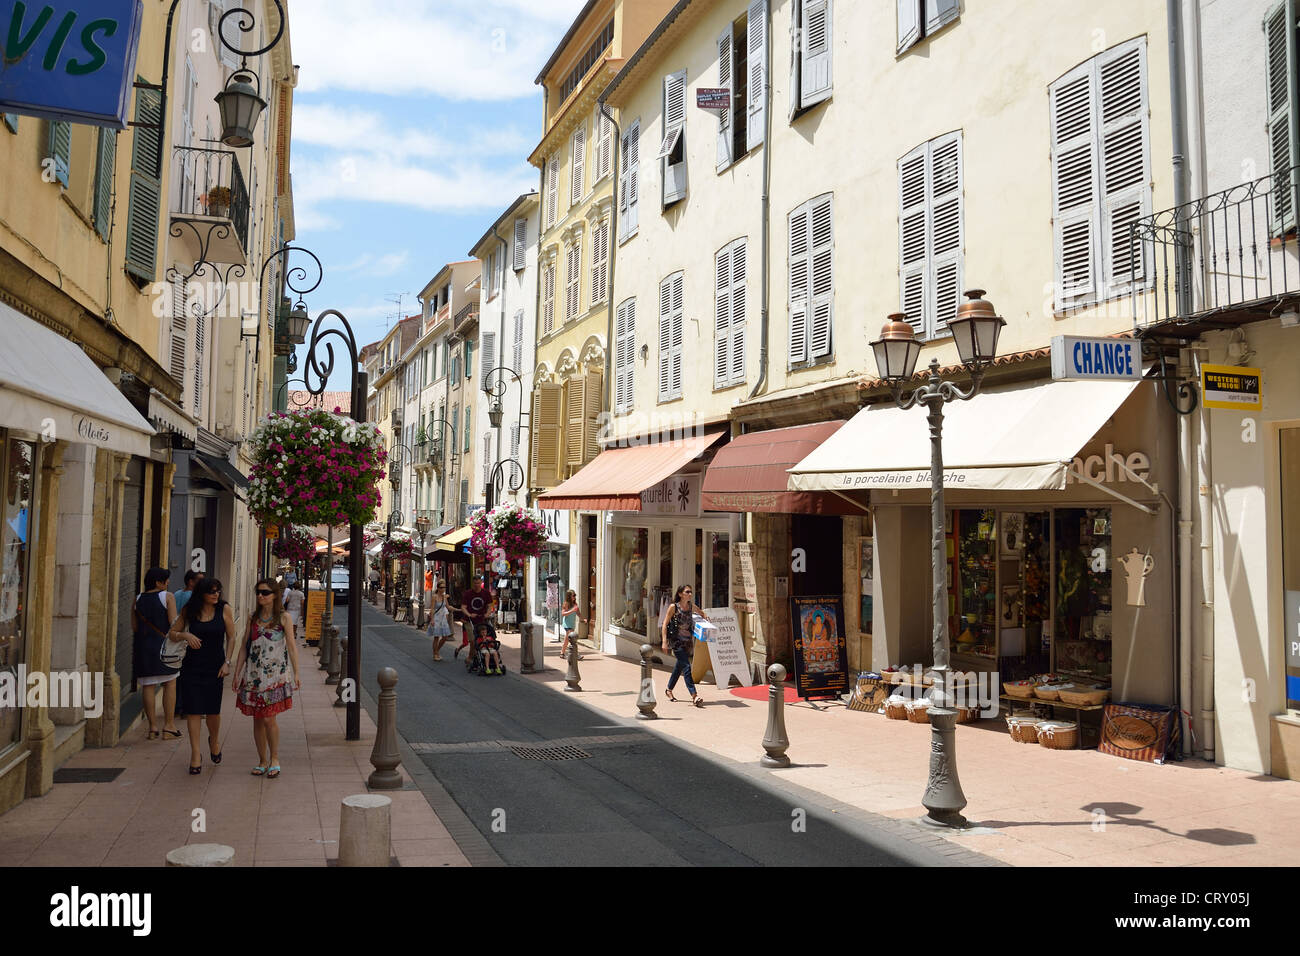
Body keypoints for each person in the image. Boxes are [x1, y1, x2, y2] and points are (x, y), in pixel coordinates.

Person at [233, 578, 301, 779]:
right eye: (258, 592)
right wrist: (237, 673)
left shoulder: (284, 618)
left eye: (265, 592)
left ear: (274, 596)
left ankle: (275, 758)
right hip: (254, 676)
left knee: (269, 718)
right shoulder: (252, 618)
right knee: (257, 719)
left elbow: (291, 645)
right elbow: (245, 647)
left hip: (274, 677)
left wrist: (296, 673)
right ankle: (262, 760)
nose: (260, 596)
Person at [169, 577, 234, 774]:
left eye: (218, 591)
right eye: (211, 591)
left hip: (215, 667)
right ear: (202, 594)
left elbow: (231, 636)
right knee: (194, 711)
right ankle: (195, 754)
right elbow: (172, 633)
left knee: (213, 712)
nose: (216, 594)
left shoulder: (224, 609)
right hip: (192, 667)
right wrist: (185, 635)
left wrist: (227, 662)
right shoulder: (190, 611)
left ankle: (213, 740)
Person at [132, 568, 182, 739]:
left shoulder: (137, 599)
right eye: (165, 580)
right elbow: (174, 624)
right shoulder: (168, 597)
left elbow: (135, 627)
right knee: (170, 683)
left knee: (148, 685)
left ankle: (152, 727)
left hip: (143, 647)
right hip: (164, 647)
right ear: (158, 582)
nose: (167, 583)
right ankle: (168, 726)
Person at [660, 585, 709, 708]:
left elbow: (701, 613)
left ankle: (668, 690)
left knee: (679, 666)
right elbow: (665, 624)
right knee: (687, 666)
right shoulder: (673, 607)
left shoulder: (691, 606)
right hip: (676, 642)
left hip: (688, 642)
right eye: (687, 592)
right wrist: (664, 642)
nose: (690, 594)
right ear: (680, 594)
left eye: (691, 592)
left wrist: (706, 618)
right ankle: (694, 695)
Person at [455, 576, 494, 659]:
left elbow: (490, 605)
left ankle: (478, 656)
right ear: (473, 584)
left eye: (478, 583)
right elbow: (463, 607)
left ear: (481, 583)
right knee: (472, 640)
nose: (477, 585)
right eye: (475, 583)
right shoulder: (468, 593)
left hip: (481, 619)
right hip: (469, 620)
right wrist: (469, 614)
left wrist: (487, 613)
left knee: (483, 638)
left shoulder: (486, 593)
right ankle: (470, 657)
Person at [427, 583, 452, 660]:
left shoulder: (444, 597)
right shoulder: (434, 597)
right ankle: (435, 654)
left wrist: (459, 609)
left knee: (445, 637)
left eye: (444, 587)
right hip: (436, 618)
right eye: (441, 587)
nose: (443, 589)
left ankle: (437, 651)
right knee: (436, 637)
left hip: (443, 619)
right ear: (438, 588)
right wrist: (432, 619)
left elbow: (448, 606)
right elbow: (432, 609)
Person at [559, 589, 584, 662]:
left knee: (567, 640)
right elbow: (563, 614)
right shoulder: (566, 604)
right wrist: (572, 611)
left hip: (572, 624)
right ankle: (577, 655)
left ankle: (562, 653)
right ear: (569, 596)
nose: (574, 597)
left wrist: (583, 619)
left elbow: (578, 613)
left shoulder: (575, 604)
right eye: (573, 595)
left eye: (575, 595)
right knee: (572, 640)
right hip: (567, 624)